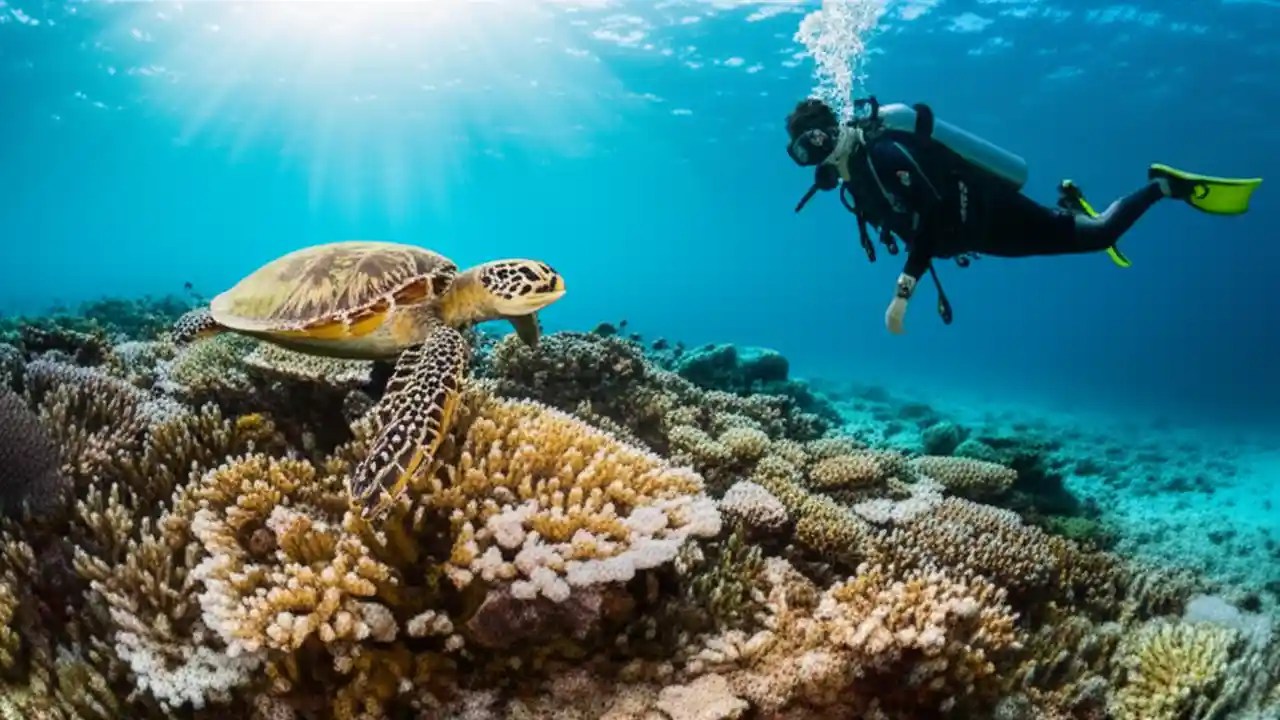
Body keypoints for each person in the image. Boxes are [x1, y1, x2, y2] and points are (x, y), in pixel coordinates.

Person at [785, 96, 1264, 334]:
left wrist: (903, 293)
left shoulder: (884, 154)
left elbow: (929, 214)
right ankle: (1067, 207)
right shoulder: (854, 174)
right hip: (980, 232)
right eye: (802, 153)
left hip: (989, 216)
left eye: (818, 142)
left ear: (833, 129)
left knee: (1099, 236)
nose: (815, 155)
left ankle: (1164, 186)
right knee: (1059, 230)